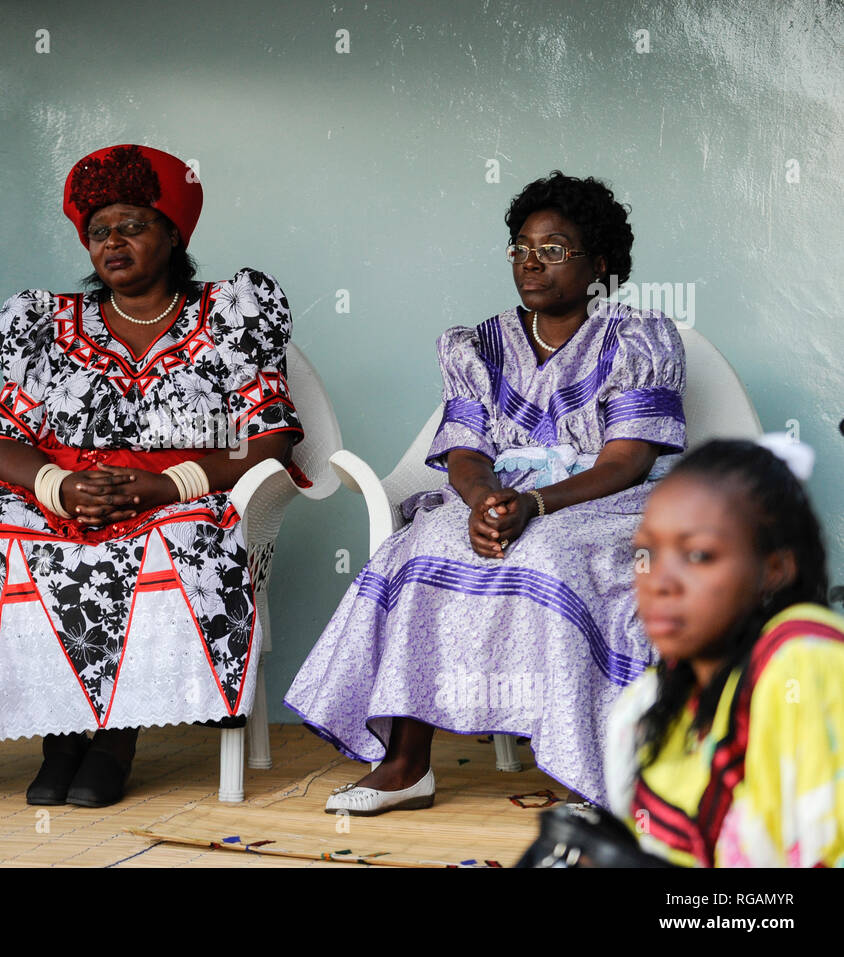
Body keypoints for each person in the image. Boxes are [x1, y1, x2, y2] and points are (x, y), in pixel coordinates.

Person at [0, 144, 304, 808]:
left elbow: (272, 436)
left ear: (172, 233)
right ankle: (62, 739)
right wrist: (59, 487)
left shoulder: (228, 319)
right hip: (60, 492)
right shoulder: (52, 326)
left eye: (132, 224)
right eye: (99, 231)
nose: (113, 242)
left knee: (158, 548)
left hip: (183, 493)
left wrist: (169, 485)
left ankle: (113, 739)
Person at [285, 171, 686, 812]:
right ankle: (407, 763)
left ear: (600, 264)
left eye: (554, 249)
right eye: (521, 247)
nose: (531, 262)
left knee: (550, 554)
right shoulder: (479, 344)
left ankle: (588, 765)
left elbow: (630, 458)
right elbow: (465, 449)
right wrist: (484, 501)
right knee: (420, 550)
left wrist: (535, 506)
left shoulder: (639, 338)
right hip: (499, 492)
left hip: (604, 500)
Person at [604, 437, 844, 867]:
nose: (659, 581)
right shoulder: (654, 698)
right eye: (646, 553)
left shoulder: (805, 662)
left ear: (774, 569)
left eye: (698, 555)